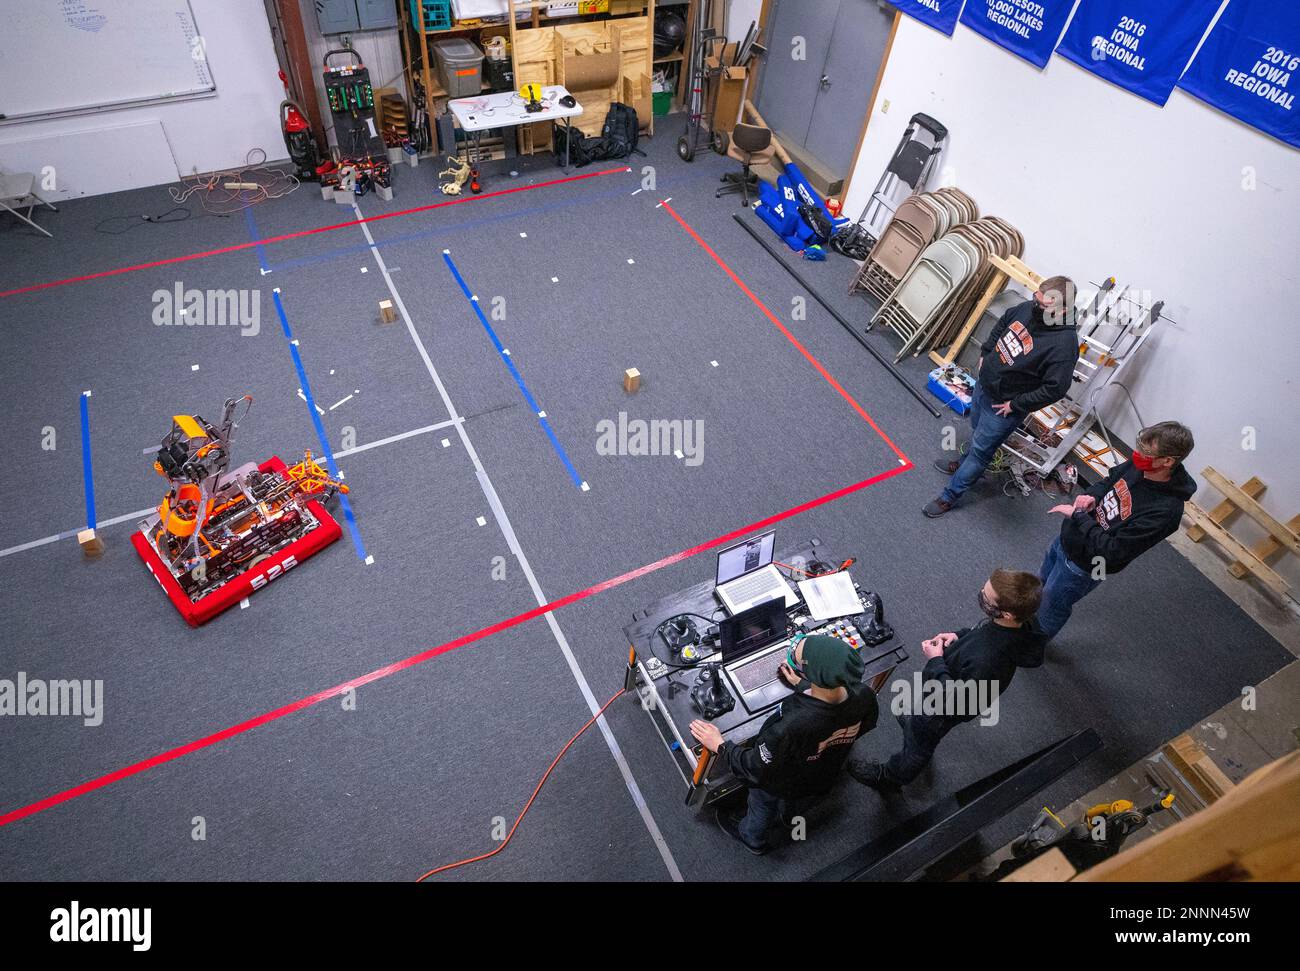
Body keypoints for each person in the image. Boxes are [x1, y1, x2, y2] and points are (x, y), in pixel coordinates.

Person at [849, 570, 1045, 789]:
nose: (981, 594)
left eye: (986, 597)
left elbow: (956, 702)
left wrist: (935, 661)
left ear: (1007, 613)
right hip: (948, 684)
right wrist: (958, 636)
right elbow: (980, 633)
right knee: (918, 721)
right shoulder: (1018, 624)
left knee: (918, 746)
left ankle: (889, 778)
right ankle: (914, 724)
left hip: (942, 708)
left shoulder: (989, 661)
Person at [689, 634, 878, 855]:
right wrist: (804, 684)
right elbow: (863, 725)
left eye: (799, 660)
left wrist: (720, 745)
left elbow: (754, 768)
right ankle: (789, 818)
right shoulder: (864, 694)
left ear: (813, 673)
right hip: (823, 774)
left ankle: (753, 839)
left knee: (761, 805)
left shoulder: (791, 725)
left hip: (781, 783)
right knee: (798, 801)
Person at [924, 277, 1080, 518]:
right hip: (984, 386)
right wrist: (986, 351)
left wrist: (1017, 404)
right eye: (1035, 300)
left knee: (981, 452)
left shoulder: (1065, 345)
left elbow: (1055, 388)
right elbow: (1005, 320)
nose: (1035, 307)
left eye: (1043, 305)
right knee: (976, 434)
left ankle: (950, 496)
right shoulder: (1028, 309)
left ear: (1063, 310)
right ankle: (964, 466)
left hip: (1004, 407)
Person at [1038, 421, 1196, 639]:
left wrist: (1079, 516)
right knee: (1042, 585)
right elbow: (1110, 480)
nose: (1137, 453)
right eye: (1139, 445)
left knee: (1053, 604)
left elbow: (1113, 551)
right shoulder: (1139, 465)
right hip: (1069, 537)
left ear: (1168, 461)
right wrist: (1092, 495)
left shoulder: (1166, 512)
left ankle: (1032, 647)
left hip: (1089, 565)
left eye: (1146, 451)